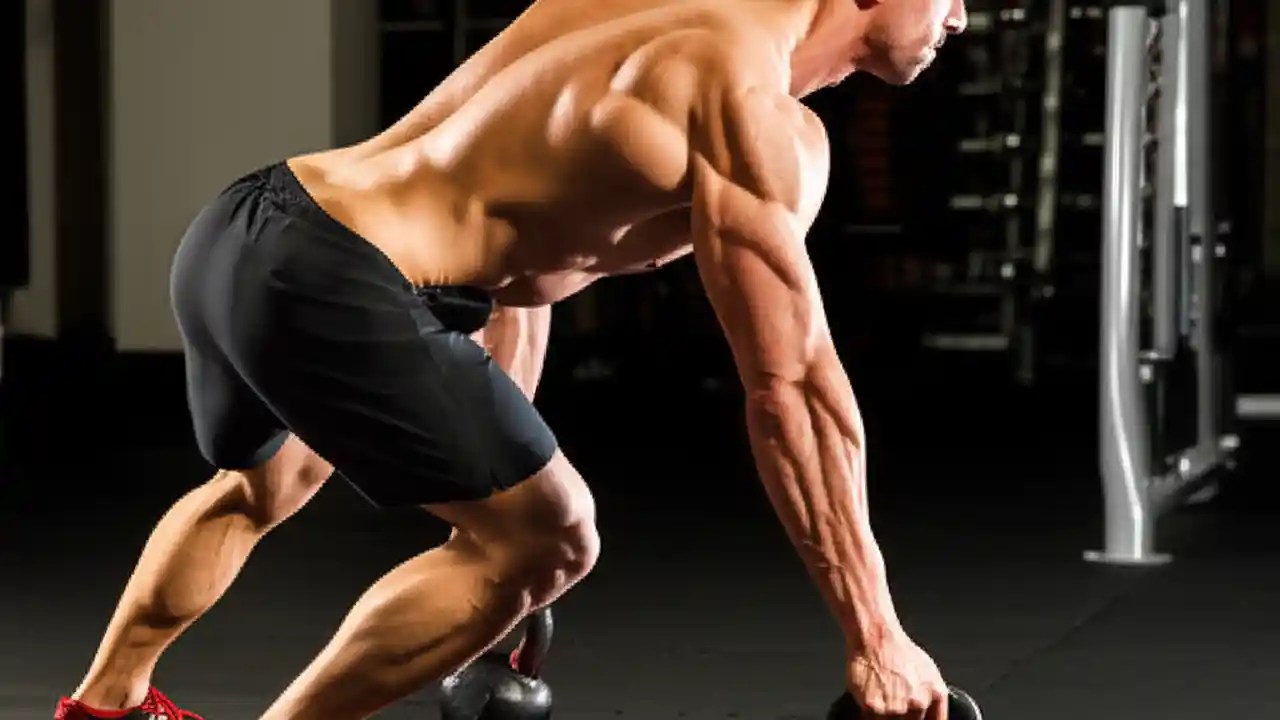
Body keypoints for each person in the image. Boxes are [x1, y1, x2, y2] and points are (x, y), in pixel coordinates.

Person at [54, 0, 968, 718]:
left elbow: (516, 276)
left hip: (251, 225)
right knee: (557, 536)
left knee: (260, 488)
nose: (959, 18)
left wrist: (482, 543)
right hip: (337, 278)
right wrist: (876, 634)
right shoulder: (750, 107)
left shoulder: (635, 13)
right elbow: (793, 387)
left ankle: (103, 708)